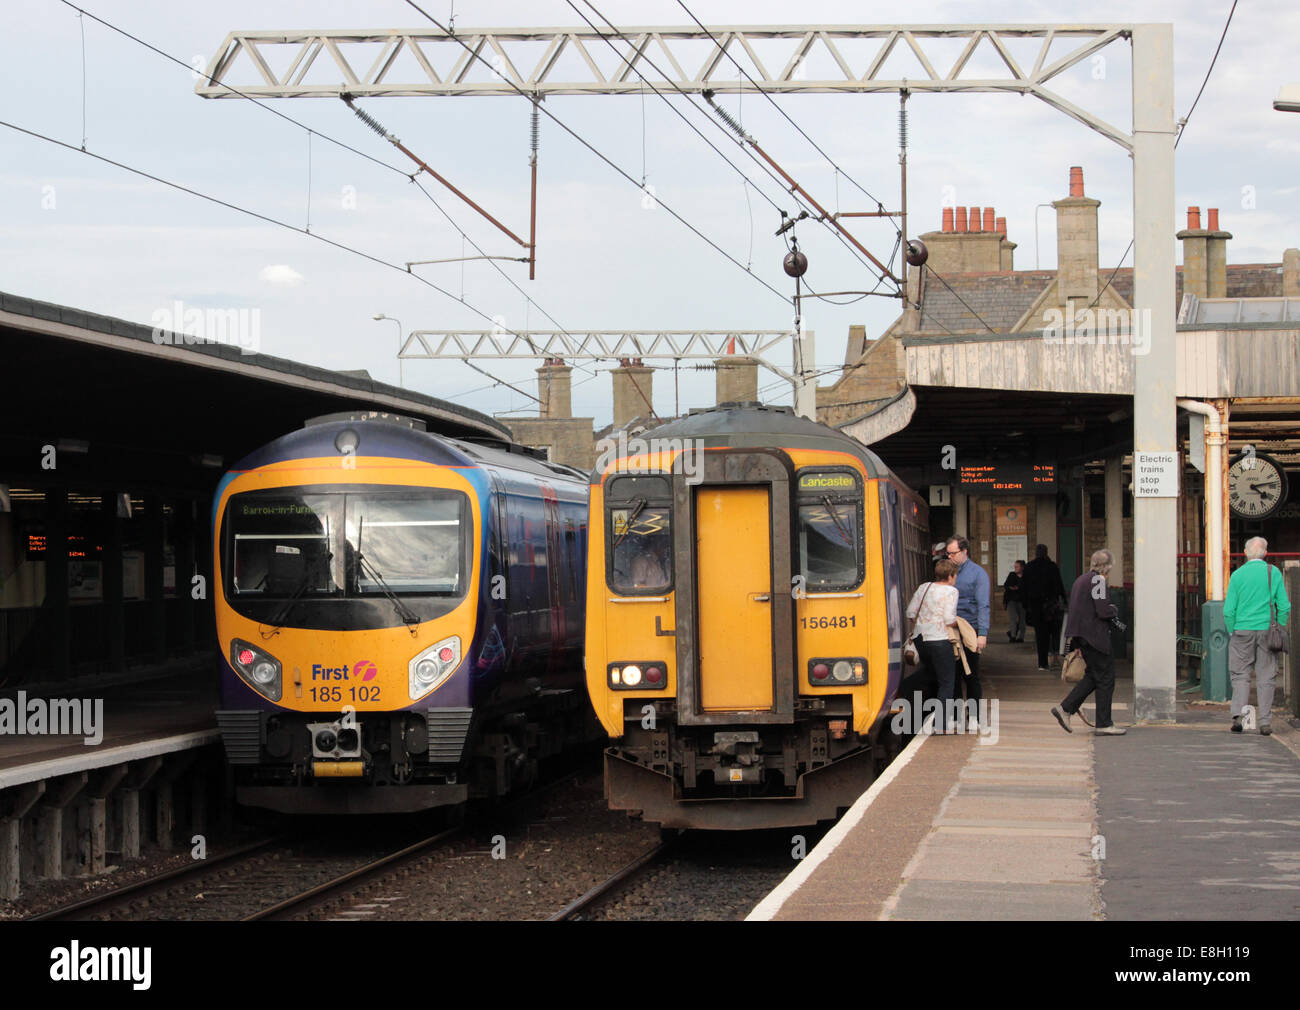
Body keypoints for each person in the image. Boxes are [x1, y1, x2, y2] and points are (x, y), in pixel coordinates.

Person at [1051, 549, 1126, 736]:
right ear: (1107, 567)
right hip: (1095, 637)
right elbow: (1102, 610)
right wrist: (1113, 609)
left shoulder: (1081, 580)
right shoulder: (1098, 580)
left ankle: (1065, 708)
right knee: (1106, 678)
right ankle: (1104, 723)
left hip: (1082, 636)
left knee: (1094, 676)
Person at [1224, 536, 1292, 736]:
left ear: (1245, 553)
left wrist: (1232, 630)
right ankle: (1265, 722)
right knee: (1266, 676)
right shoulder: (1274, 572)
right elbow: (1285, 605)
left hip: (1241, 631)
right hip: (1266, 631)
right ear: (1266, 553)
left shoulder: (1237, 575)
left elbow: (1229, 610)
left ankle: (1238, 715)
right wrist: (1279, 626)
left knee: (1240, 675)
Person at [902, 559, 960, 732]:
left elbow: (911, 613)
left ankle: (905, 687)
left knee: (931, 672)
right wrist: (960, 624)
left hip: (921, 639)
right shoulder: (951, 591)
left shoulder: (924, 587)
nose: (955, 579)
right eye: (955, 575)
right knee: (947, 681)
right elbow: (949, 619)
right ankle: (941, 724)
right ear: (950, 576)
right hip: (940, 639)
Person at [945, 536, 989, 726]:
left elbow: (983, 605)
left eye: (953, 553)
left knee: (971, 674)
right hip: (950, 630)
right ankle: (955, 717)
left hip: (970, 629)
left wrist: (983, 633)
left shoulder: (978, 574)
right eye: (948, 553)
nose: (950, 557)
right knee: (952, 675)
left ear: (964, 552)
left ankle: (975, 717)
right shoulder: (946, 571)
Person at [1022, 543, 1066, 671]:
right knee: (1053, 632)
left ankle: (1042, 663)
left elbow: (1024, 588)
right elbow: (1059, 585)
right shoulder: (1052, 567)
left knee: (1040, 635)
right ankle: (1054, 657)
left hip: (1036, 606)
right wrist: (1063, 599)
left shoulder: (1029, 567)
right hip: (1050, 605)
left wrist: (1026, 605)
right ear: (1046, 553)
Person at [1004, 560, 1026, 642]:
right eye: (1015, 567)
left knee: (1022, 619)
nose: (1015, 568)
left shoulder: (1025, 577)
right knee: (1013, 618)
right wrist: (1012, 588)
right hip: (1012, 600)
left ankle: (1021, 637)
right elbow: (1006, 585)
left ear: (1022, 567)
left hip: (1022, 600)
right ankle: (1013, 636)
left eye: (1017, 566)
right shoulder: (1012, 575)